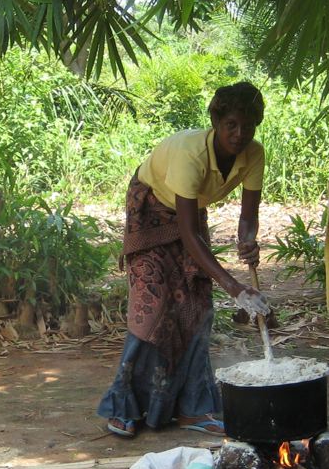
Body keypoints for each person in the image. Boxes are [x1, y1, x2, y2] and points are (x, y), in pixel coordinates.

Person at [98, 82, 271, 438]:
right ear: (216, 121)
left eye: (248, 127)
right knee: (152, 306)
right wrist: (235, 288)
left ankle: (193, 407)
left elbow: (248, 213)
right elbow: (190, 236)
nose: (240, 135)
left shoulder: (254, 154)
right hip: (151, 210)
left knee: (196, 306)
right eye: (231, 126)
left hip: (190, 212)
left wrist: (248, 238)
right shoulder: (190, 154)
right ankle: (123, 406)